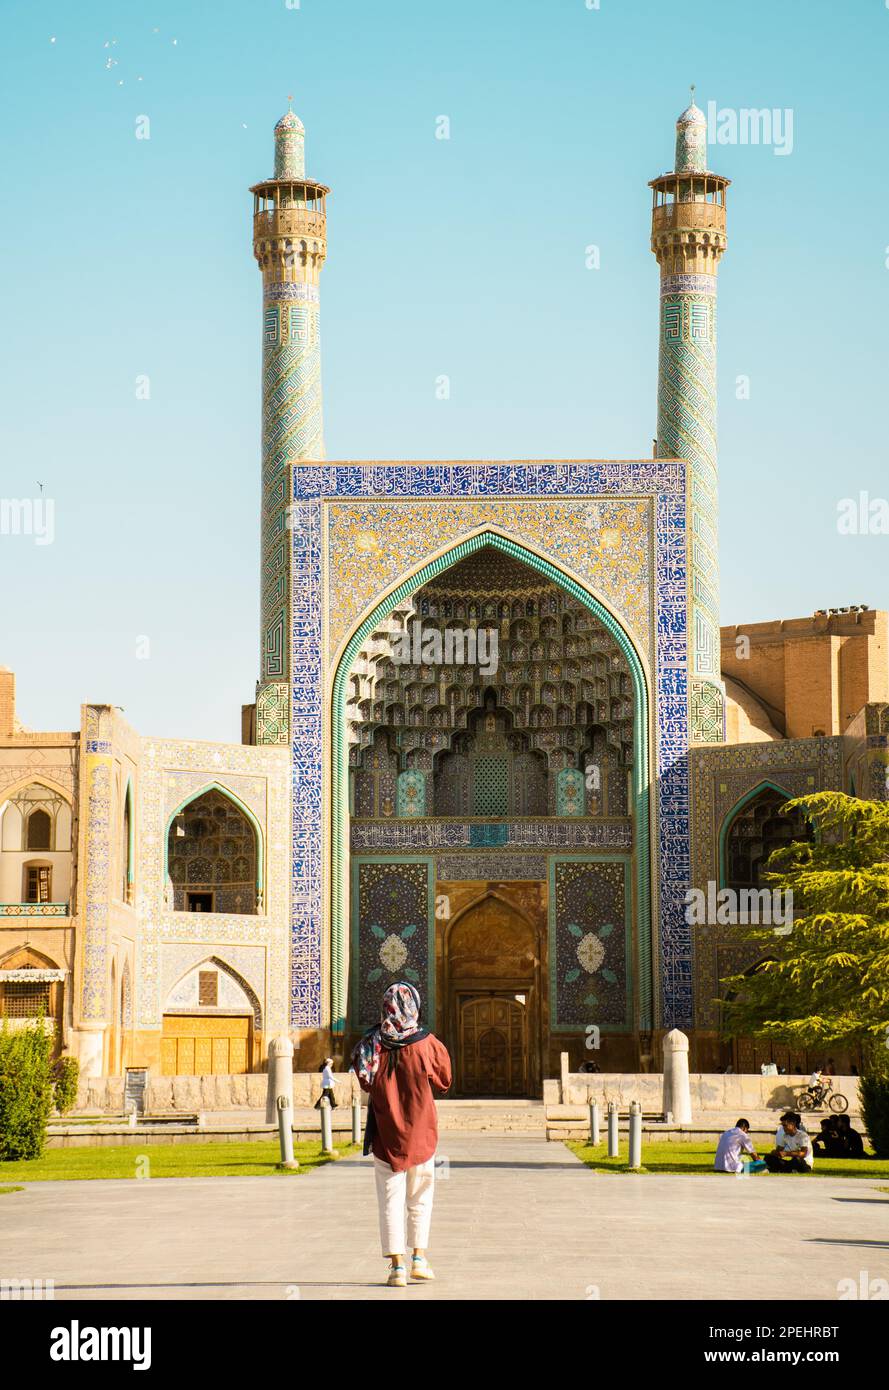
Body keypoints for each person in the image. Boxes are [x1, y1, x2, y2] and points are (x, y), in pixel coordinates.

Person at [352, 981, 452, 1287]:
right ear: (415, 1007)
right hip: (422, 1134)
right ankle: (419, 1257)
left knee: (389, 1200)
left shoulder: (371, 1044)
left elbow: (364, 1081)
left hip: (385, 1135)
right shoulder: (428, 1043)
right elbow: (445, 1081)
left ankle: (397, 1267)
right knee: (420, 1197)